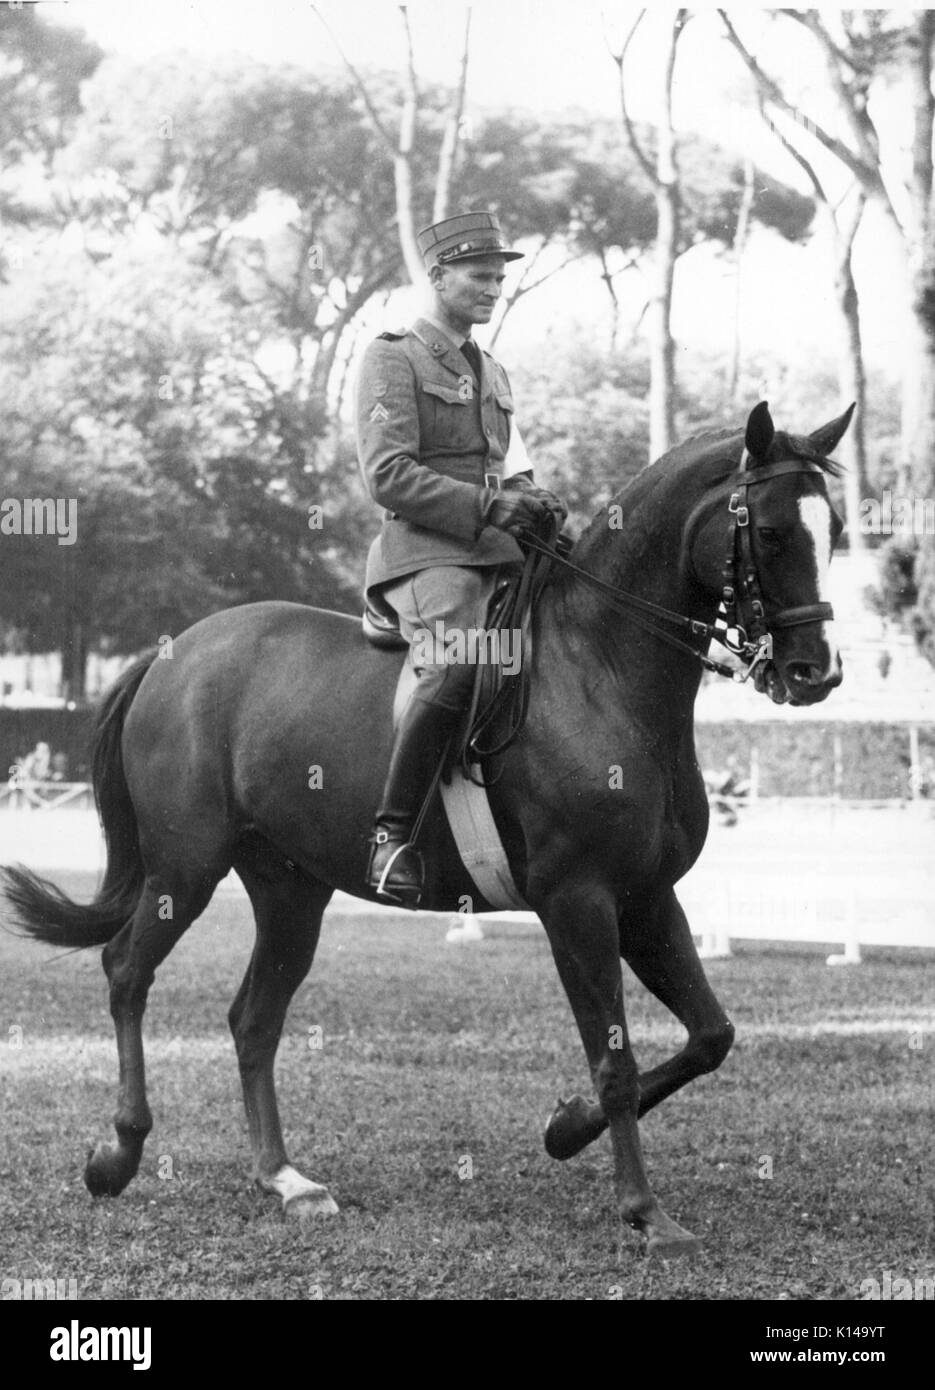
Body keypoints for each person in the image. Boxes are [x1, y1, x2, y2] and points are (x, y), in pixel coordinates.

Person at [356, 210, 567, 907]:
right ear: (437, 276)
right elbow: (387, 474)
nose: (492, 288)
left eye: (499, 279)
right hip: (426, 555)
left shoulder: (493, 370)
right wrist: (487, 506)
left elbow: (514, 470)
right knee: (457, 658)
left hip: (500, 549)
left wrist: (539, 506)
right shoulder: (392, 356)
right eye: (479, 277)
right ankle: (392, 838)